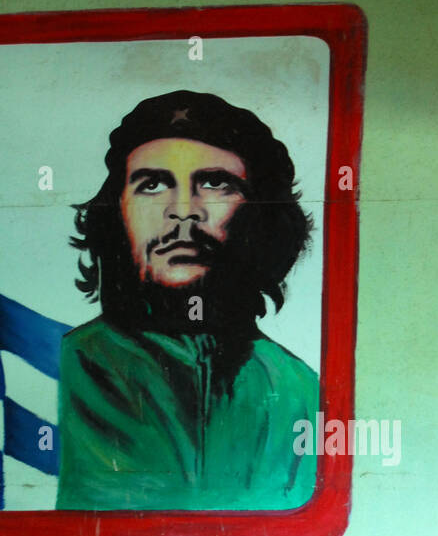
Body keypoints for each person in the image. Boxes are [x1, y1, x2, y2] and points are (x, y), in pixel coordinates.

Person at [55, 91, 319, 511]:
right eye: (152, 184)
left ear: (260, 215)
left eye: (215, 183)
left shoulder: (297, 388)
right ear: (117, 213)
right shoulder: (63, 366)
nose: (183, 211)